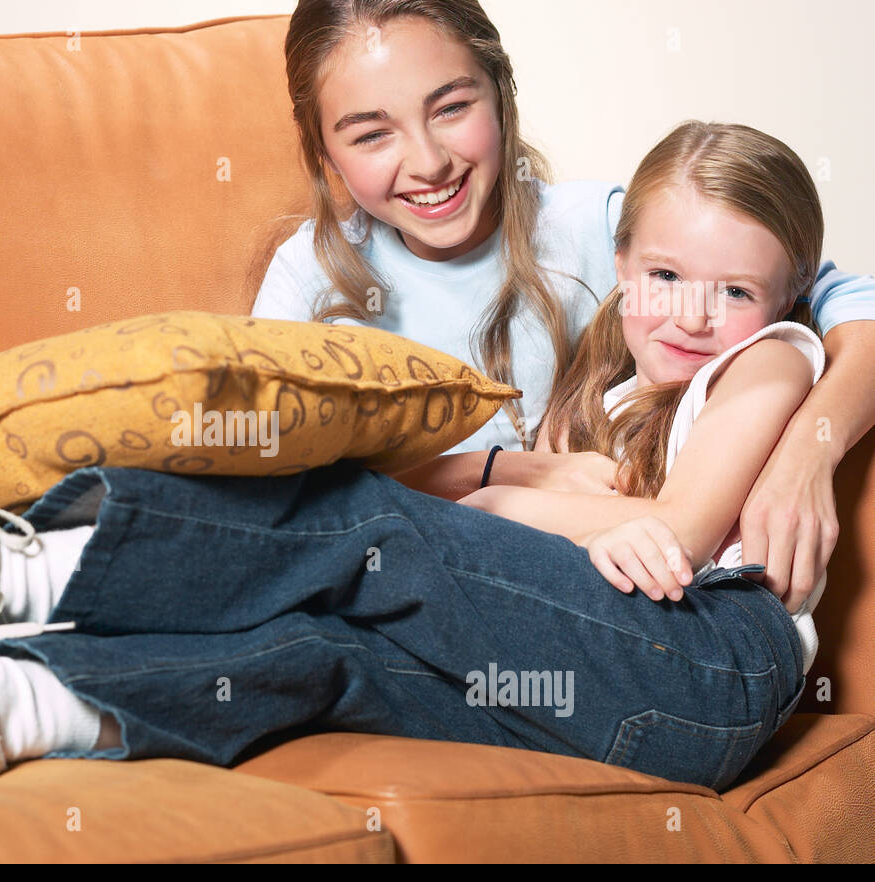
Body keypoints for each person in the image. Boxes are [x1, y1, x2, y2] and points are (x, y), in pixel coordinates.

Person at [0, 117, 826, 794]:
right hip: (641, 704)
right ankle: (4, 709)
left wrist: (502, 514)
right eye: (665, 274)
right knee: (324, 659)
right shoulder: (611, 388)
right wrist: (527, 498)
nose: (694, 312)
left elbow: (679, 534)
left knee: (360, 518)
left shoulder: (771, 361)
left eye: (735, 291)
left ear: (781, 301)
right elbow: (590, 535)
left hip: (717, 661)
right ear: (620, 258)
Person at [250, 0, 875, 614]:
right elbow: (273, 504)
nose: (429, 162)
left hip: (590, 595)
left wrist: (807, 453)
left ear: (501, 94)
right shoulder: (308, 278)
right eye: (372, 133)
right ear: (324, 151)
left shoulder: (599, 230)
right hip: (446, 581)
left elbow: (819, 296)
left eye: (452, 107)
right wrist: (489, 472)